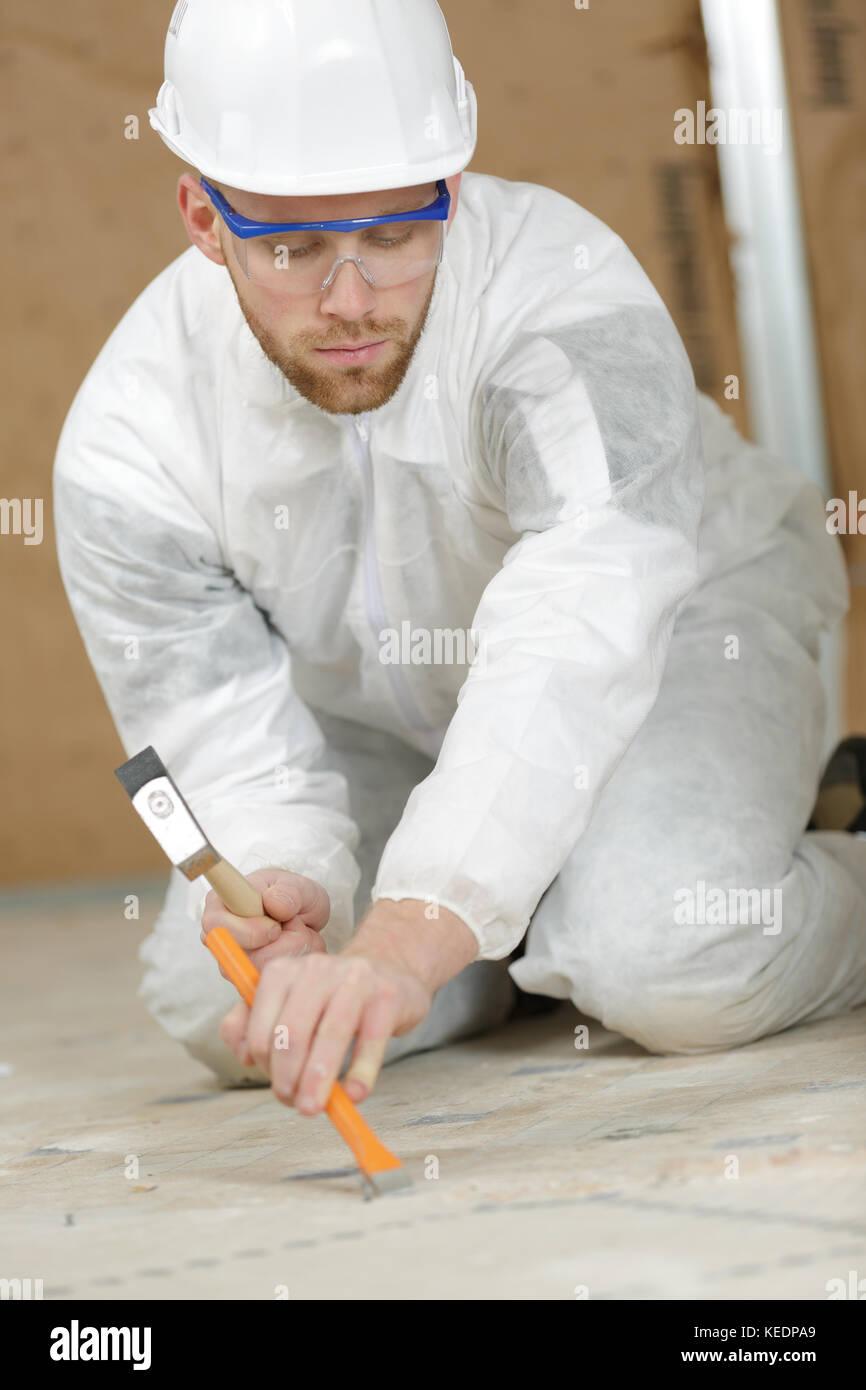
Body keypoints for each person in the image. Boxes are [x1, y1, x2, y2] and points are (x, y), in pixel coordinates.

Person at [54, 0, 866, 1119]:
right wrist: (290, 886)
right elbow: (221, 746)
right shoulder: (128, 444)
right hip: (388, 720)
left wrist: (414, 925)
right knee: (226, 1002)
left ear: (451, 180)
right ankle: (533, 917)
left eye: (392, 233)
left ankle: (675, 890)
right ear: (202, 216)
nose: (350, 304)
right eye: (291, 246)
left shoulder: (562, 306)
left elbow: (577, 626)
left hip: (679, 620)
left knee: (661, 957)